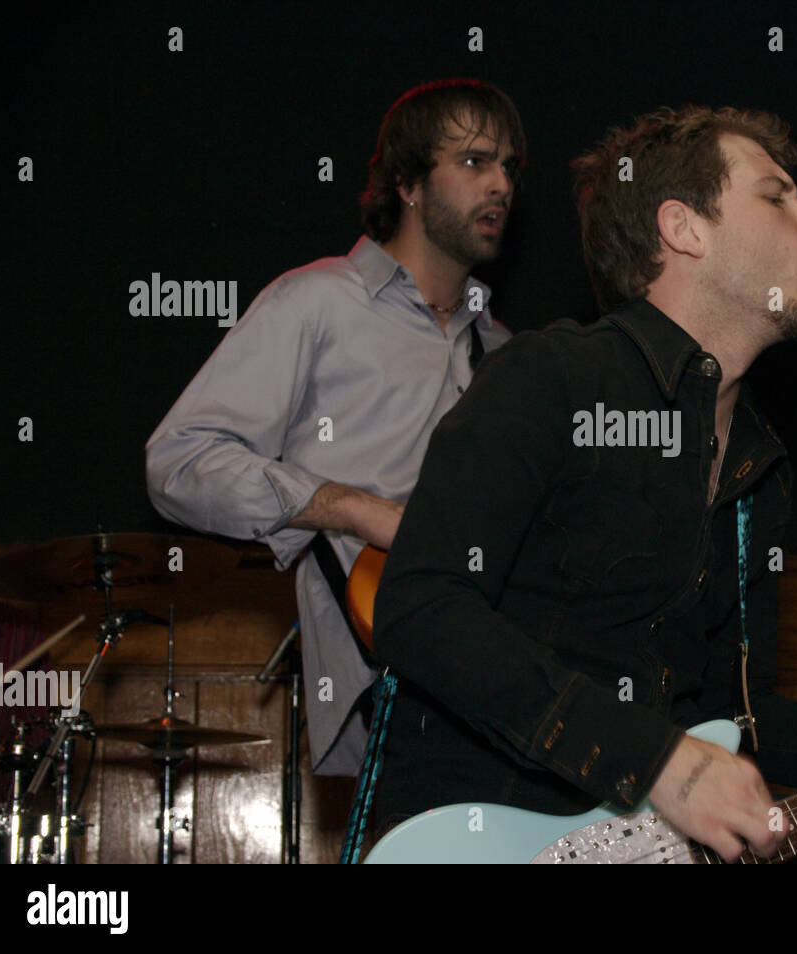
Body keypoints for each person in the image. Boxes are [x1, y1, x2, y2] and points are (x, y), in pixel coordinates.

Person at [371, 105, 797, 861]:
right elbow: (420, 604)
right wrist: (654, 758)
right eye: (776, 195)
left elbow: (743, 718)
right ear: (683, 228)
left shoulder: (756, 466)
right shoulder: (553, 377)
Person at [145, 79, 525, 775]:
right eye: (475, 162)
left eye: (509, 166)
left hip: (496, 682)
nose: (501, 183)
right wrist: (349, 507)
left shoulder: (502, 350)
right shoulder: (315, 302)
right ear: (408, 182)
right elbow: (178, 460)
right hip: (381, 682)